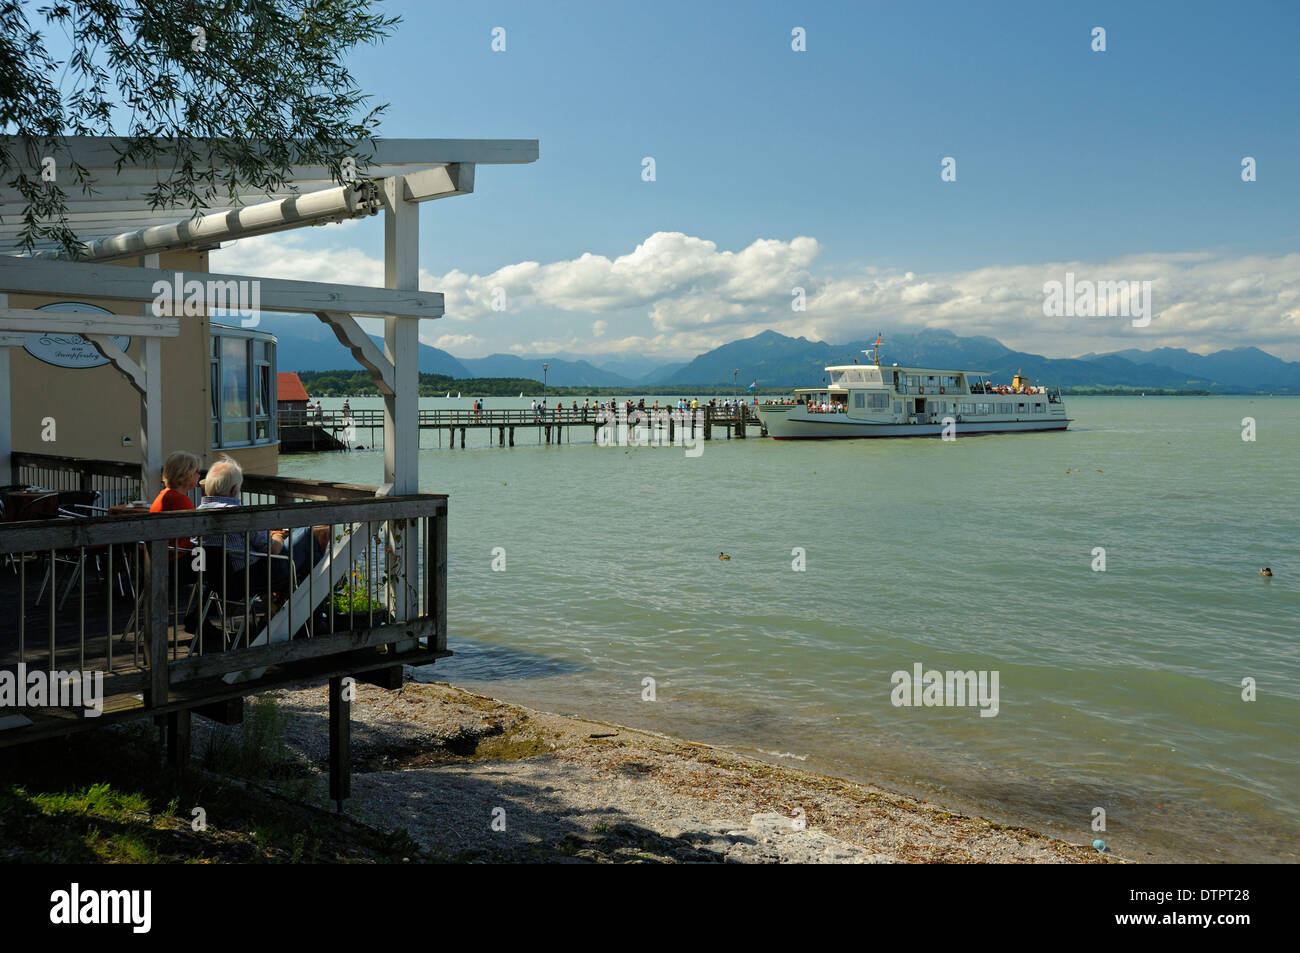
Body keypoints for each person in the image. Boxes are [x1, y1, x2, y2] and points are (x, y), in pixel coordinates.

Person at [197, 455, 328, 596]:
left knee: (309, 554)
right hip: (252, 578)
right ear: (234, 490)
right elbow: (273, 549)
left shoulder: (196, 515)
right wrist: (277, 536)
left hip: (212, 580)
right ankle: (307, 606)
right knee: (306, 534)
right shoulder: (240, 515)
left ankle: (293, 604)